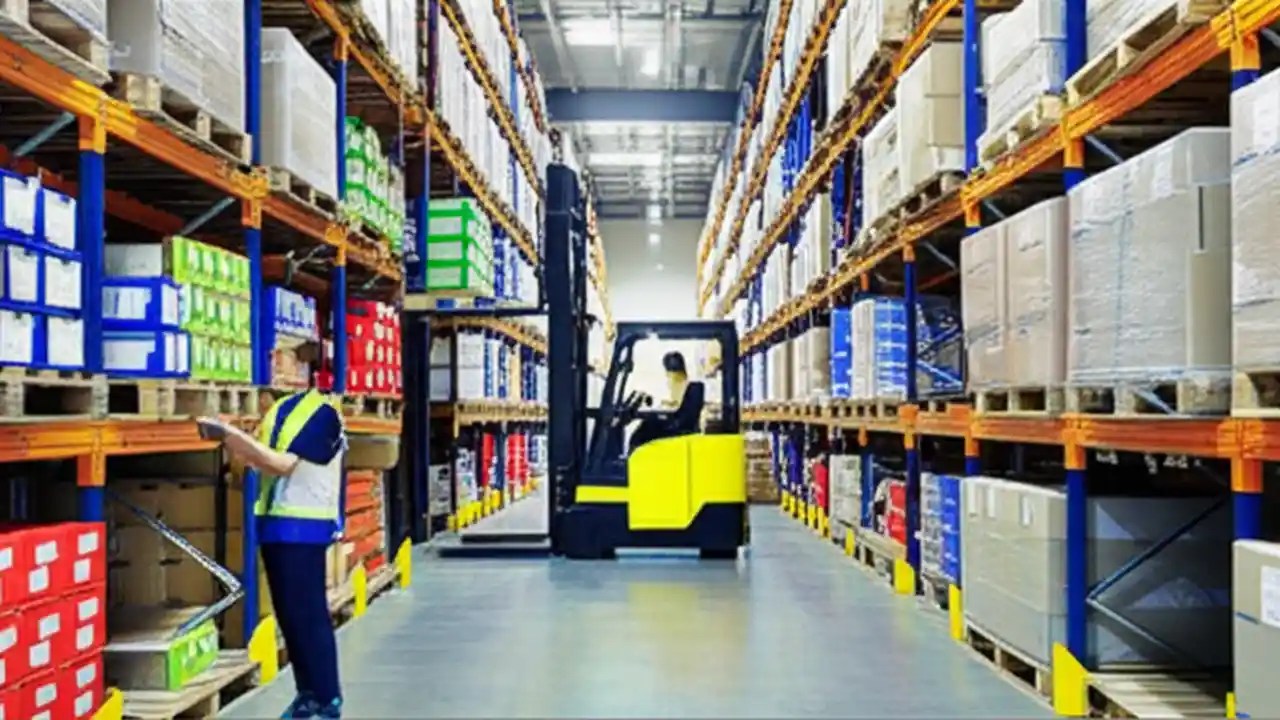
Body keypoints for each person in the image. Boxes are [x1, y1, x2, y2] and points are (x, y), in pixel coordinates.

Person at [197, 340, 346, 719]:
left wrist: (233, 438)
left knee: (308, 613)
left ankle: (327, 698)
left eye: (284, 360)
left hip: (305, 528)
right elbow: (256, 463)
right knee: (289, 616)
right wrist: (234, 444)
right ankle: (307, 693)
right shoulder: (280, 411)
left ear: (304, 370)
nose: (276, 367)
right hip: (276, 526)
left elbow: (282, 464)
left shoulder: (323, 413)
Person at [627, 351, 699, 453]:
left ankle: (634, 455)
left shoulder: (676, 380)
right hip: (679, 423)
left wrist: (658, 409)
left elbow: (677, 405)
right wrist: (666, 404)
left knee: (644, 430)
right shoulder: (685, 382)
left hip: (676, 428)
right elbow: (678, 403)